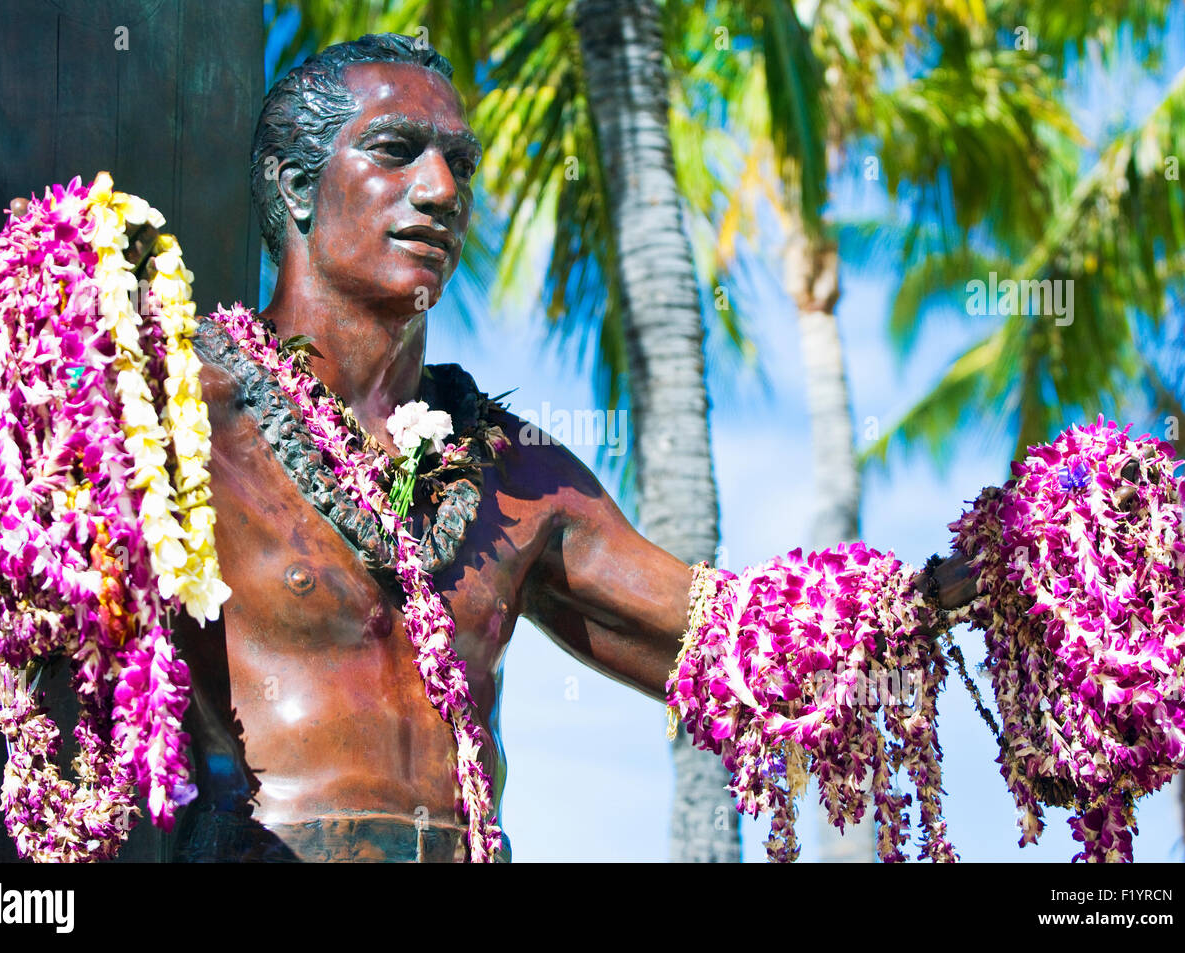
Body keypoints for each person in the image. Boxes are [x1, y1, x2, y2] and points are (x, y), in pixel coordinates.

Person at [171, 33, 971, 863]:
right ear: (298, 184)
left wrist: (940, 590)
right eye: (396, 150)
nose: (441, 190)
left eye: (460, 164)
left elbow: (721, 640)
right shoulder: (179, 409)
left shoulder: (516, 473)